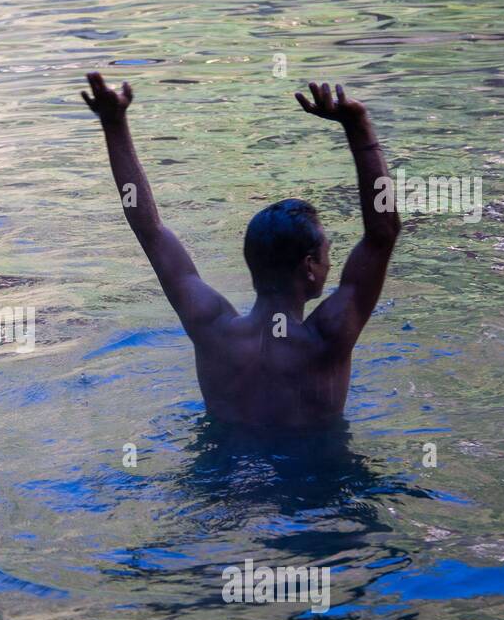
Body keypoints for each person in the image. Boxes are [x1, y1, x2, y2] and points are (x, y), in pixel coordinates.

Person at [81, 72, 401, 428]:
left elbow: (150, 231)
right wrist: (358, 126)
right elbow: (382, 234)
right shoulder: (327, 336)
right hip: (313, 479)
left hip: (220, 480)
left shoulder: (211, 326)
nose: (331, 258)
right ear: (309, 265)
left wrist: (114, 124)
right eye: (328, 250)